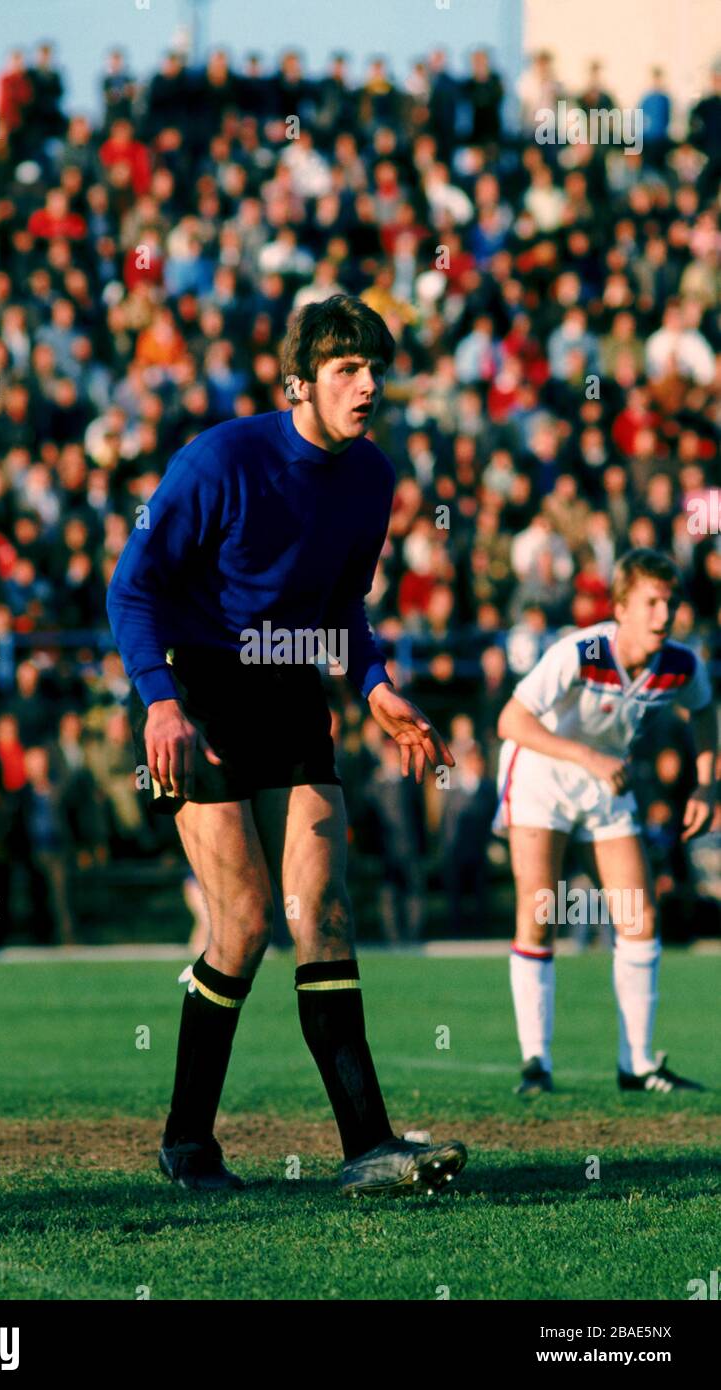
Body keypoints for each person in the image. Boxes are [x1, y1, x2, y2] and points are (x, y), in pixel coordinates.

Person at [107, 295, 467, 1195]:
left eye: (374, 369)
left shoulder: (372, 477)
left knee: (325, 913)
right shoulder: (220, 459)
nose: (368, 385)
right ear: (298, 383)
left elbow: (343, 607)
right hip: (199, 695)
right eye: (347, 369)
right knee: (243, 926)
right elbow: (131, 587)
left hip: (293, 688)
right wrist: (159, 704)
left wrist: (376, 688)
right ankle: (187, 1144)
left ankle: (367, 1147)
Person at [493, 549, 717, 1096]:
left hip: (605, 781)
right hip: (542, 773)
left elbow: (704, 710)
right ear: (620, 608)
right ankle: (536, 1065)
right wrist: (586, 757)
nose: (664, 614)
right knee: (539, 909)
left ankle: (636, 1064)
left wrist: (707, 784)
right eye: (651, 602)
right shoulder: (582, 651)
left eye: (670, 603)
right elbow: (511, 720)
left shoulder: (680, 663)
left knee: (639, 914)